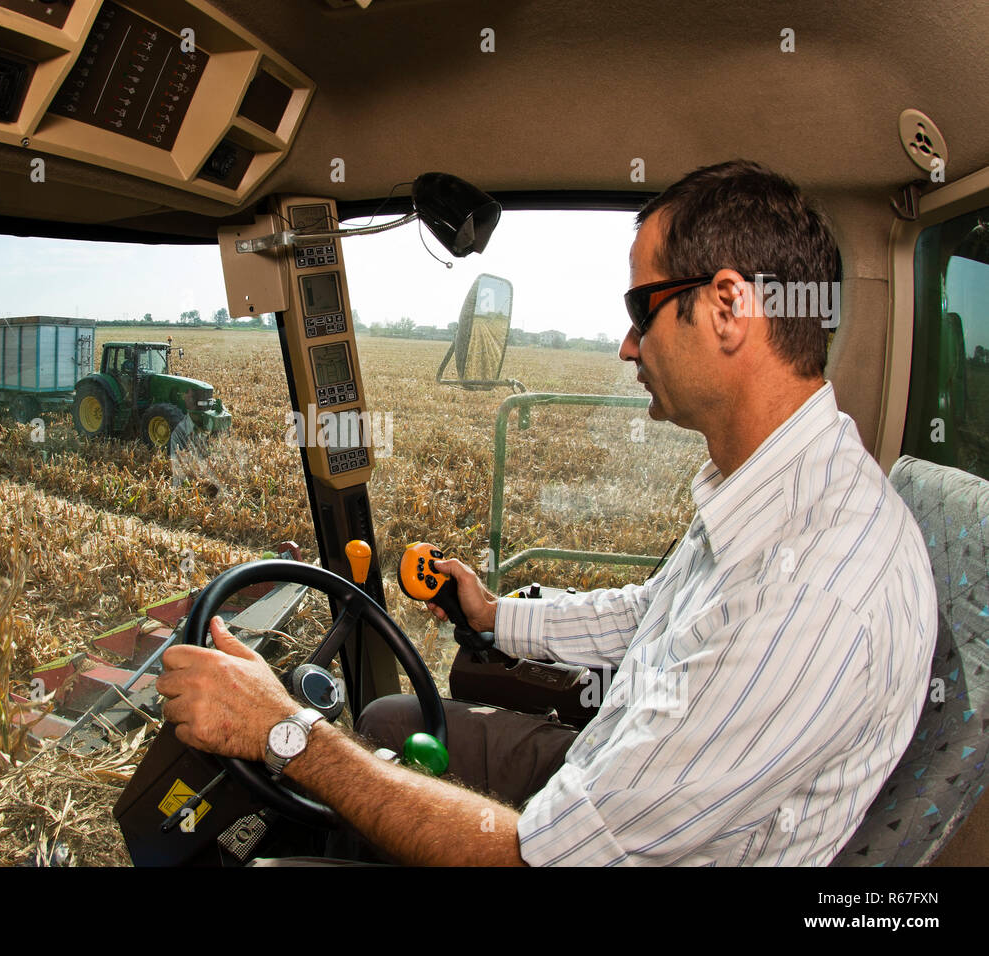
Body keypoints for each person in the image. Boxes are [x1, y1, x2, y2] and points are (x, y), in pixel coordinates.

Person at [155, 160, 938, 865]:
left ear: (728, 306)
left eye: (643, 307)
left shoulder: (810, 591)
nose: (628, 347)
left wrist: (283, 732)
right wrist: (495, 617)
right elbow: (653, 617)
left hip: (581, 842)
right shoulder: (779, 488)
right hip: (618, 765)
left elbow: (533, 860)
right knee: (391, 718)